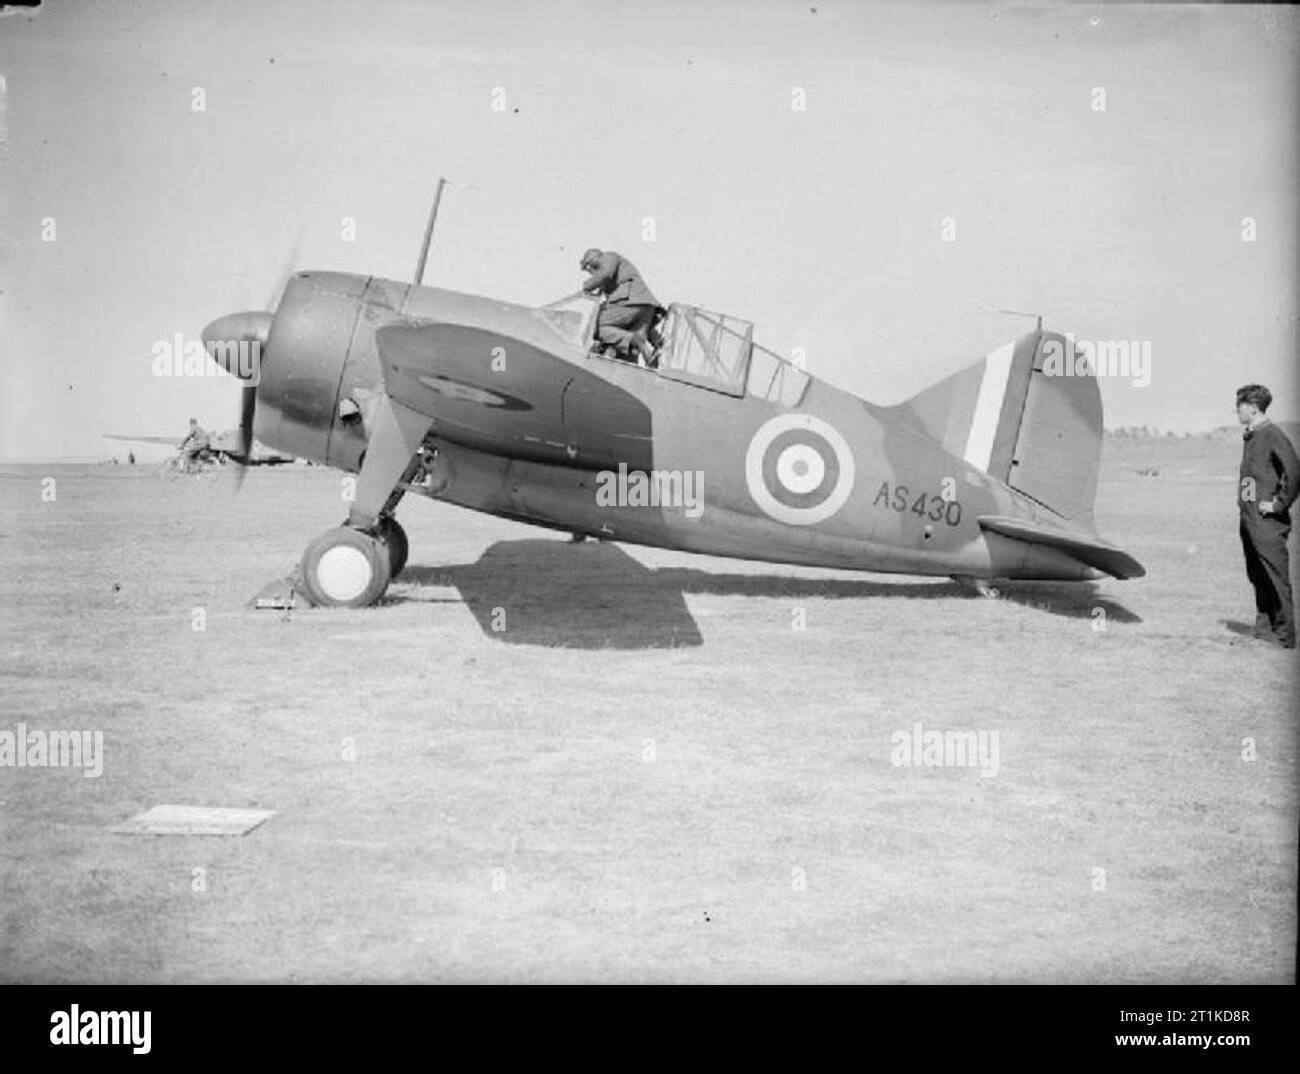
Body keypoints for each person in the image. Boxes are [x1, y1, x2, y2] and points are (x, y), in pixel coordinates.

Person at [1236, 384, 1298, 649]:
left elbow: (1294, 473)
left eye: (1239, 405)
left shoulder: (1273, 434)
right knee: (1257, 575)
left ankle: (1285, 636)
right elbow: (1253, 476)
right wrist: (1245, 503)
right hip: (1249, 519)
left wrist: (1277, 505)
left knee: (1275, 577)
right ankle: (1265, 630)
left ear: (1252, 407)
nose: (1235, 410)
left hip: (1268, 523)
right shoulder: (1252, 436)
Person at [580, 248, 663, 364]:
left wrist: (586, 286)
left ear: (593, 258)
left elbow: (605, 274)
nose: (590, 271)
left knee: (594, 327)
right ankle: (650, 361)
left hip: (631, 302)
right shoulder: (612, 279)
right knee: (629, 352)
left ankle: (634, 339)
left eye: (588, 266)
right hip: (644, 307)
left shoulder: (609, 257)